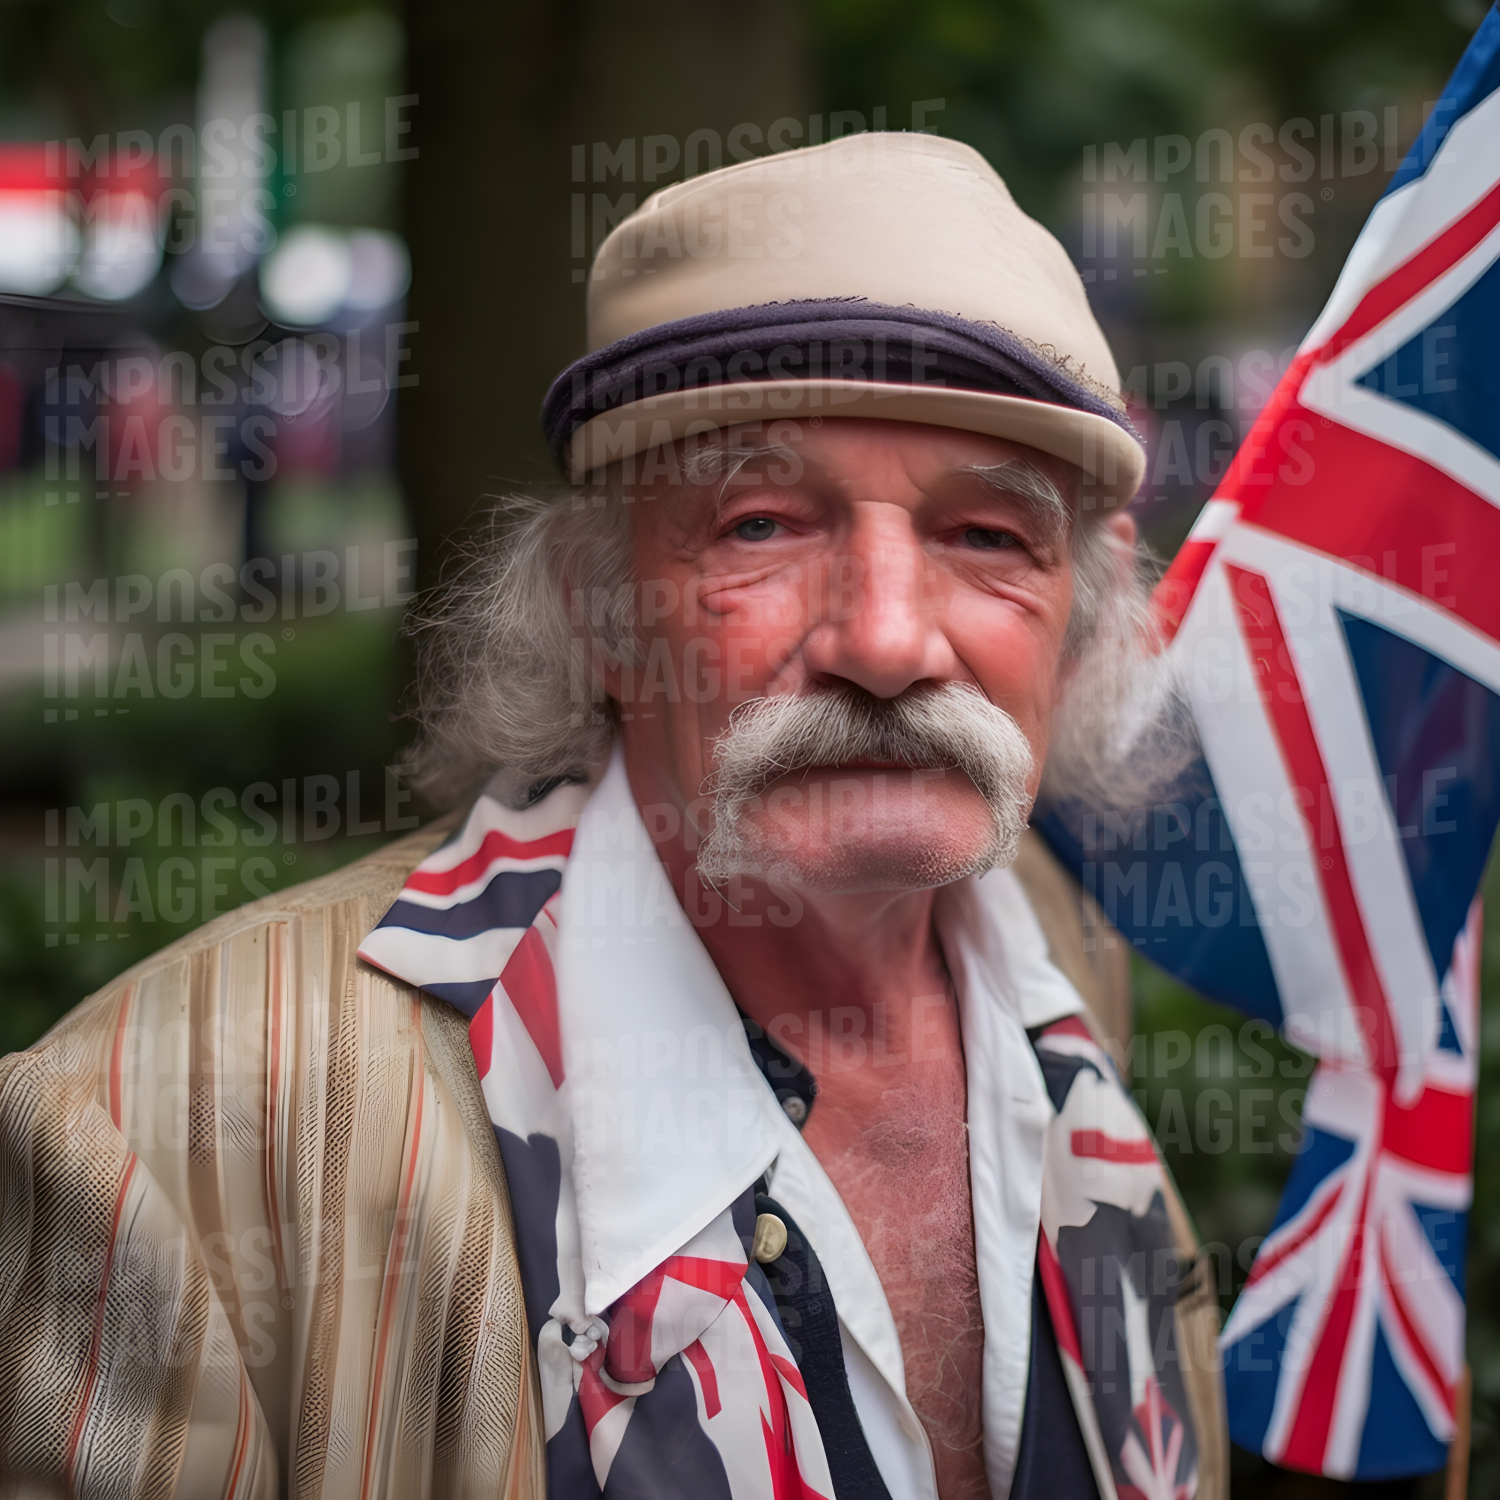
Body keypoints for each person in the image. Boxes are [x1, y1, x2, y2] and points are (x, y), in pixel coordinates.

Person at [0, 132, 1223, 1499]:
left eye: (987, 537)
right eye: (761, 524)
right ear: (601, 609)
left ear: (1079, 619)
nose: (886, 640)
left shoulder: (1060, 968)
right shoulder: (175, 1128)